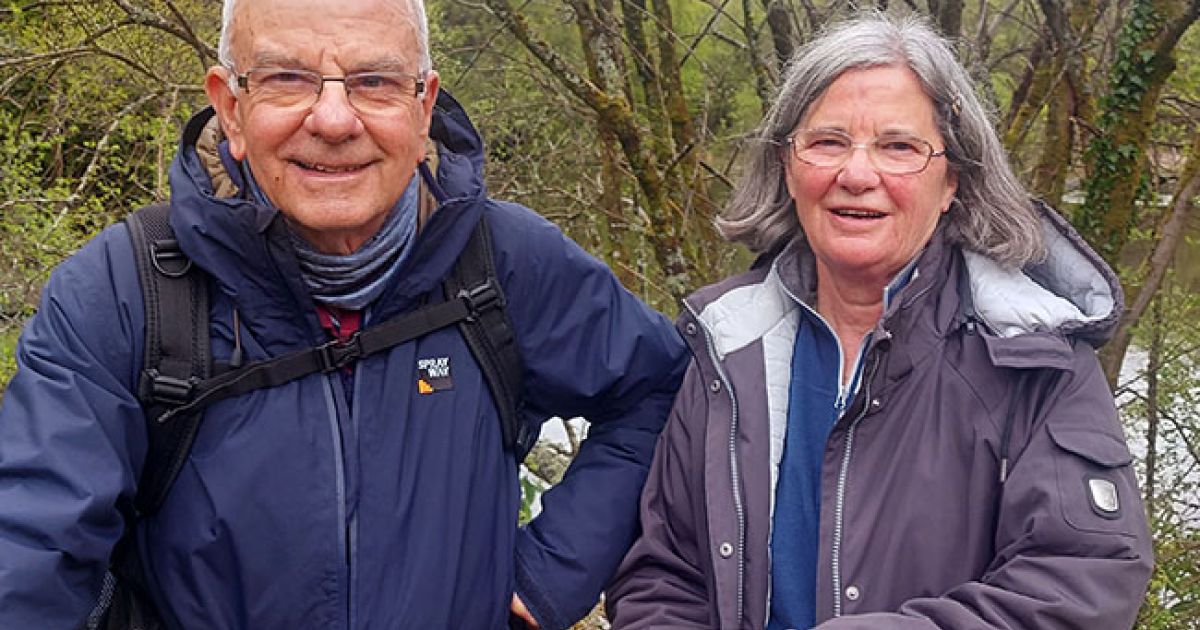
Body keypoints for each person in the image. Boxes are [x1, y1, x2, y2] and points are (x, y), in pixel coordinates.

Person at [0, 0, 688, 627]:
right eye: (287, 78)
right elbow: (31, 544)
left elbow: (662, 389)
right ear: (230, 107)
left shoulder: (505, 263)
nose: (333, 120)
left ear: (424, 107)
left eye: (375, 81)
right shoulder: (125, 290)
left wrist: (550, 575)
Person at [606, 12, 1153, 630]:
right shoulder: (727, 345)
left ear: (952, 182)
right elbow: (663, 573)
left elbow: (1081, 580)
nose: (858, 175)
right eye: (827, 142)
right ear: (788, 167)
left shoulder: (1033, 356)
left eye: (899, 147)